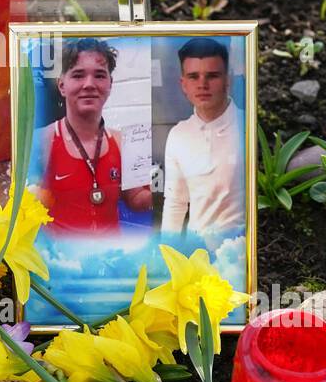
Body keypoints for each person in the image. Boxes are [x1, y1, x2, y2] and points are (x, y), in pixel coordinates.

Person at [34, 38, 152, 235]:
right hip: (61, 262)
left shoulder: (122, 142)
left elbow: (136, 200)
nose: (89, 84)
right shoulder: (41, 142)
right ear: (62, 85)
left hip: (112, 260)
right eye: (78, 75)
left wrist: (167, 185)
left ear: (110, 84)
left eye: (99, 75)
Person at [161, 38, 245, 239]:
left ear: (228, 80)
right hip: (197, 254)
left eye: (212, 76)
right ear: (183, 84)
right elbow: (175, 202)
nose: (202, 84)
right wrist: (165, 254)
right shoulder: (178, 135)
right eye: (193, 76)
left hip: (242, 255)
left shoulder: (247, 125)